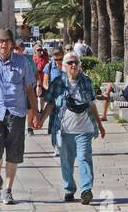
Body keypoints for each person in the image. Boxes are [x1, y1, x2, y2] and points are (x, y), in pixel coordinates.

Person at [0, 27, 40, 204]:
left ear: (12, 44)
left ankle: (8, 189)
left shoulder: (22, 62)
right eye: (0, 42)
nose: (3, 44)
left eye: (6, 41)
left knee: (14, 154)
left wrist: (34, 113)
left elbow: (29, 90)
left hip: (17, 113)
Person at [41, 52, 104, 203]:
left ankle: (86, 190)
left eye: (75, 62)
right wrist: (40, 120)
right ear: (64, 66)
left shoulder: (86, 81)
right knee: (66, 161)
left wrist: (100, 125)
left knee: (84, 158)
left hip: (84, 129)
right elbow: (49, 104)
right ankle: (69, 189)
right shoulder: (57, 82)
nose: (73, 65)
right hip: (63, 130)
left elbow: (92, 104)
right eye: (70, 63)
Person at [43, 47, 66, 155]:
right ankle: (56, 146)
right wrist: (49, 90)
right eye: (55, 59)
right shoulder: (49, 66)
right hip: (53, 97)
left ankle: (63, 146)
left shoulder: (67, 66)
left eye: (60, 59)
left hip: (65, 99)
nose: (58, 62)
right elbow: (45, 81)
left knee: (63, 124)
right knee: (54, 124)